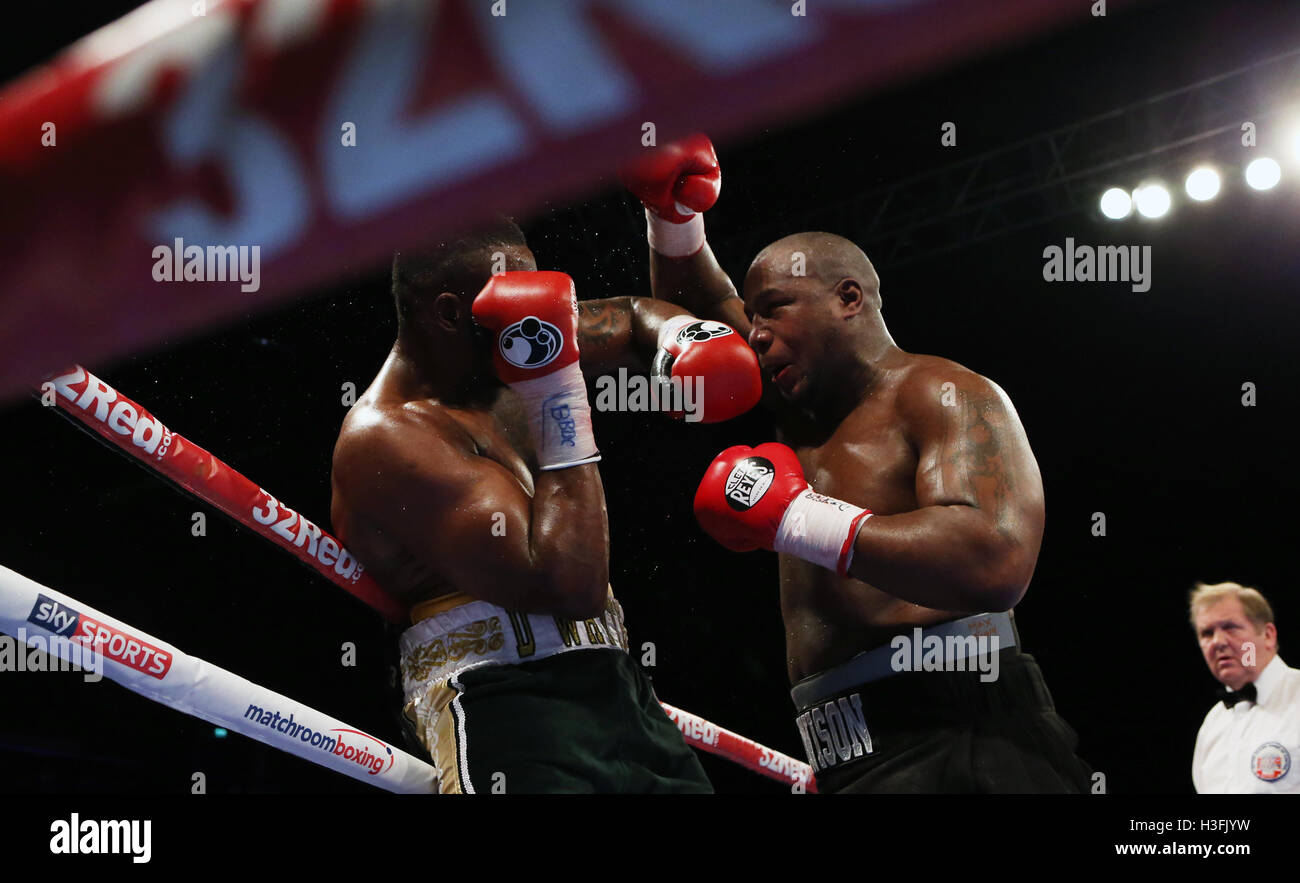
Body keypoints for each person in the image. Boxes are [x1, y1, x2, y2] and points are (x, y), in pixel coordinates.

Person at [621, 136, 1092, 793]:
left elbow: (995, 559)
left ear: (848, 299)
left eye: (774, 310)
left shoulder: (941, 394)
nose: (754, 333)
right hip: (850, 752)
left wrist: (796, 517)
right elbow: (704, 321)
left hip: (964, 735)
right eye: (751, 315)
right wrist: (675, 217)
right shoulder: (801, 405)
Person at [329, 218, 760, 793]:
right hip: (504, 699)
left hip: (618, 684)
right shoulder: (388, 436)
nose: (534, 317)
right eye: (508, 303)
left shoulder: (510, 343)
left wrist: (680, 340)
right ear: (452, 314)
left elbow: (633, 316)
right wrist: (556, 389)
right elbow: (569, 585)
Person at [1190, 581, 1300, 792]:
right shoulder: (1213, 725)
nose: (1218, 642)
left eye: (1230, 627)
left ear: (1268, 635)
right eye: (1207, 633)